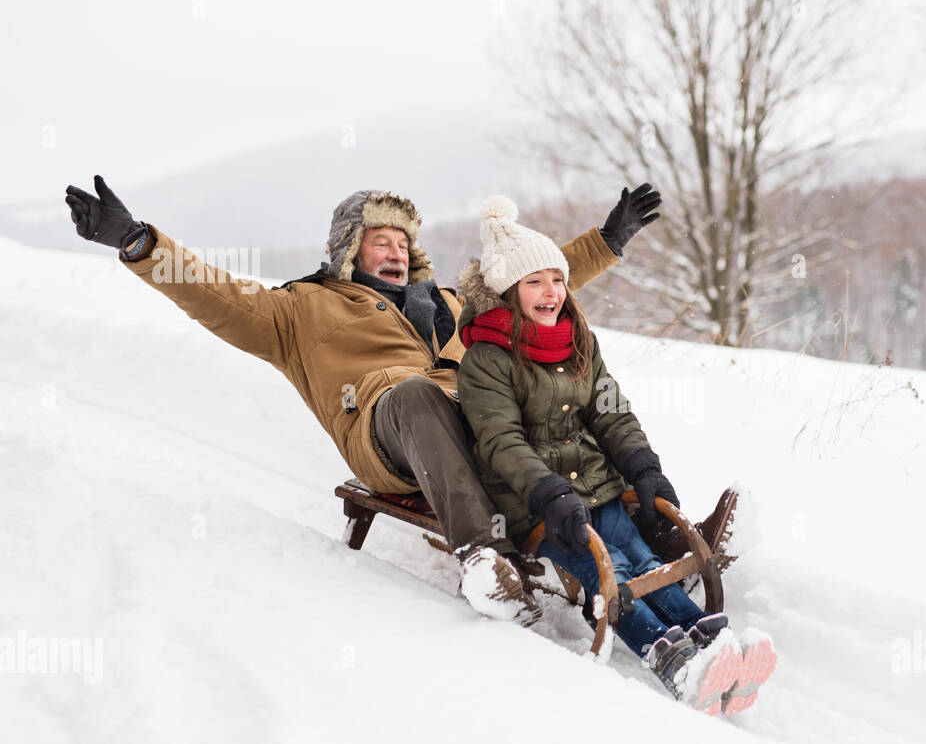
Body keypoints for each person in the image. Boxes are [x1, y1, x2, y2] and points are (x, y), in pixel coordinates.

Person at [63, 176, 660, 620]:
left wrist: (607, 241)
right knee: (419, 394)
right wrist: (139, 242)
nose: (397, 252)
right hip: (388, 429)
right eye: (381, 242)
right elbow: (214, 294)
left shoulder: (450, 303)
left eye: (403, 242)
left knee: (547, 388)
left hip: (475, 421)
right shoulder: (300, 309)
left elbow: (532, 287)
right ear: (350, 247)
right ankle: (486, 558)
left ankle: (649, 519)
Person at [456, 196, 776, 715]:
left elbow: (610, 411)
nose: (551, 292)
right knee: (612, 576)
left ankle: (709, 642)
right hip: (539, 504)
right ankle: (669, 657)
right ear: (509, 293)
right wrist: (549, 492)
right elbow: (501, 442)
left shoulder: (576, 340)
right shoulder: (486, 360)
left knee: (645, 559)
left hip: (599, 489)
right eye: (534, 282)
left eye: (556, 279)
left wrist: (643, 467)